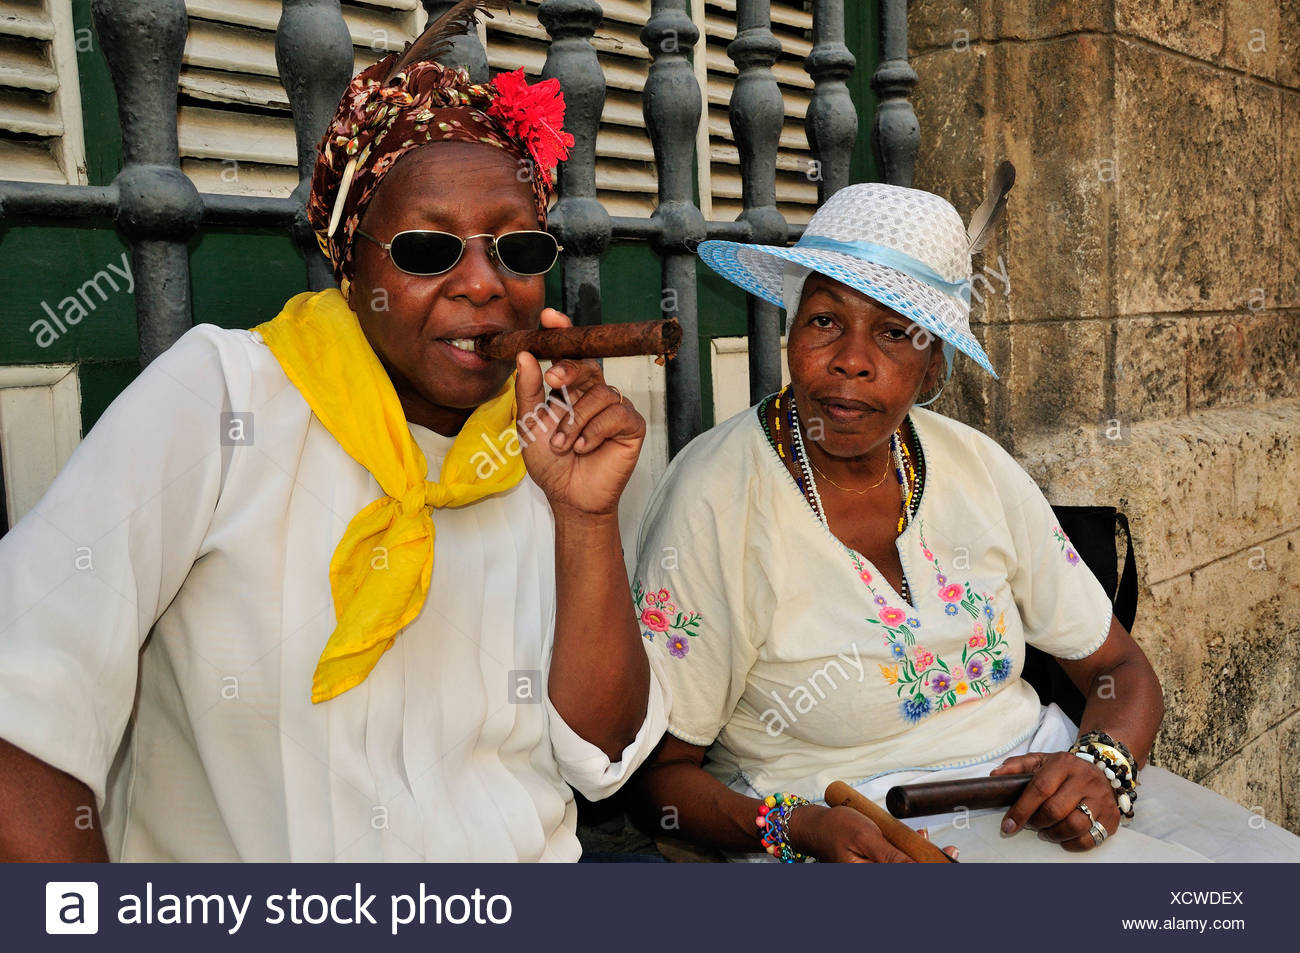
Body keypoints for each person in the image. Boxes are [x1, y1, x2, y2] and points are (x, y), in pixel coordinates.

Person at [0, 6, 666, 862]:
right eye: (426, 249)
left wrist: (584, 521)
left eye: (518, 247)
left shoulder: (544, 442)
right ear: (351, 266)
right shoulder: (222, 399)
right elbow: (21, 709)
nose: (482, 283)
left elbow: (603, 754)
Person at [627, 181, 1300, 863]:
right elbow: (659, 782)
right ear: (793, 329)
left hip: (1039, 777)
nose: (851, 359)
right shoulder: (715, 495)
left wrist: (1103, 765)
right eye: (825, 320)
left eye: (894, 332)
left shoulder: (976, 465)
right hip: (843, 825)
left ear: (932, 369)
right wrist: (794, 828)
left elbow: (1118, 667)